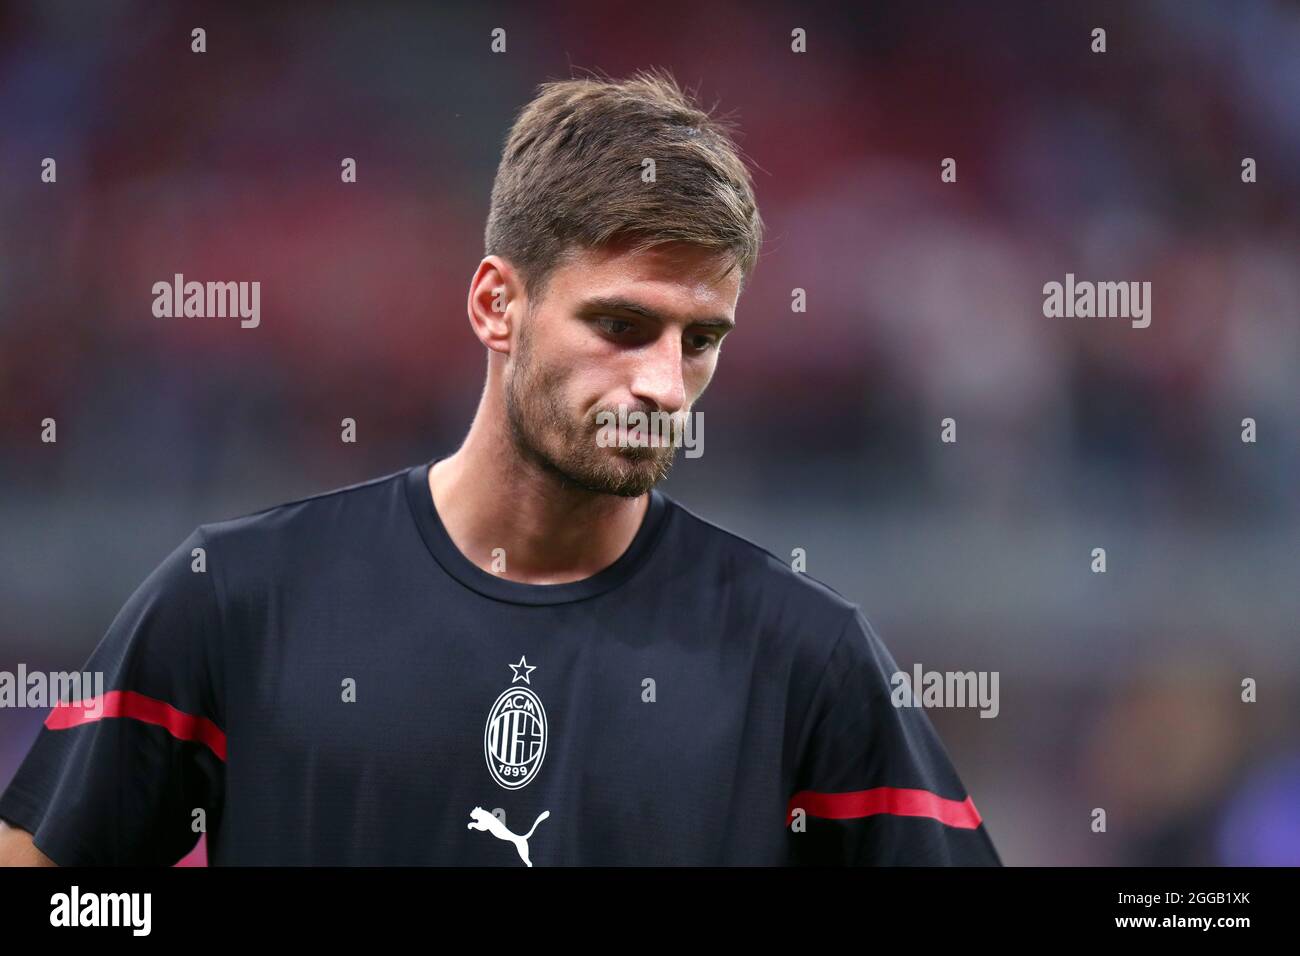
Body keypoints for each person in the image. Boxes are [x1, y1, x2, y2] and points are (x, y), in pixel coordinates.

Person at [0, 68, 1000, 866]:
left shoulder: (806, 655)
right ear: (495, 305)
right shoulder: (237, 598)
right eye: (620, 324)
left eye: (700, 338)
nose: (662, 383)